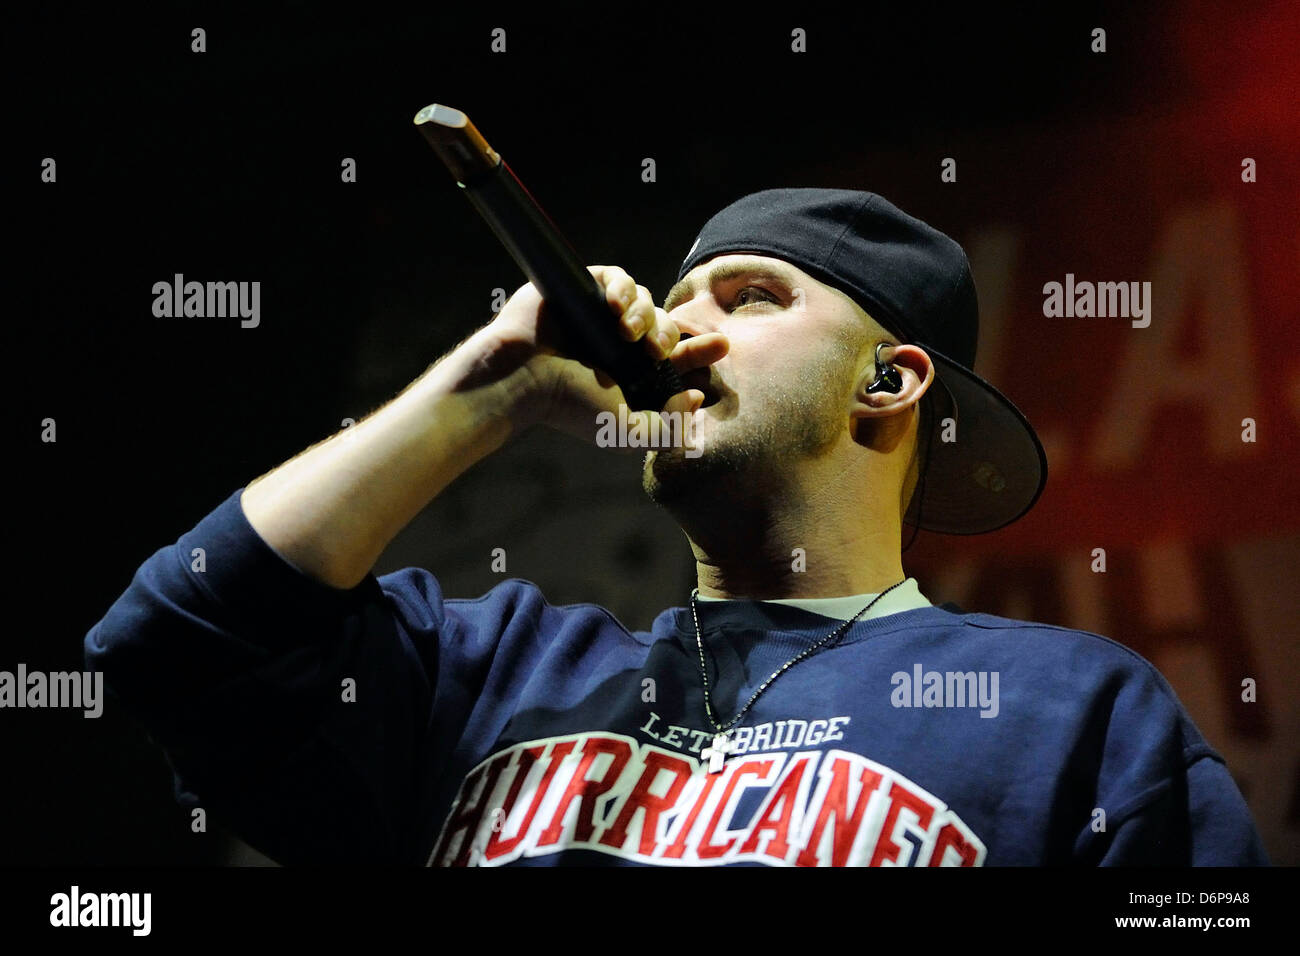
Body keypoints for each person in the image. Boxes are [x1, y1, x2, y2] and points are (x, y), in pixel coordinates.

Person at [85, 188, 1269, 866]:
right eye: (678, 296)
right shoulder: (488, 671)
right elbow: (180, 636)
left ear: (889, 383)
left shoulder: (1071, 712)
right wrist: (491, 384)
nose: (677, 328)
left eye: (750, 298)